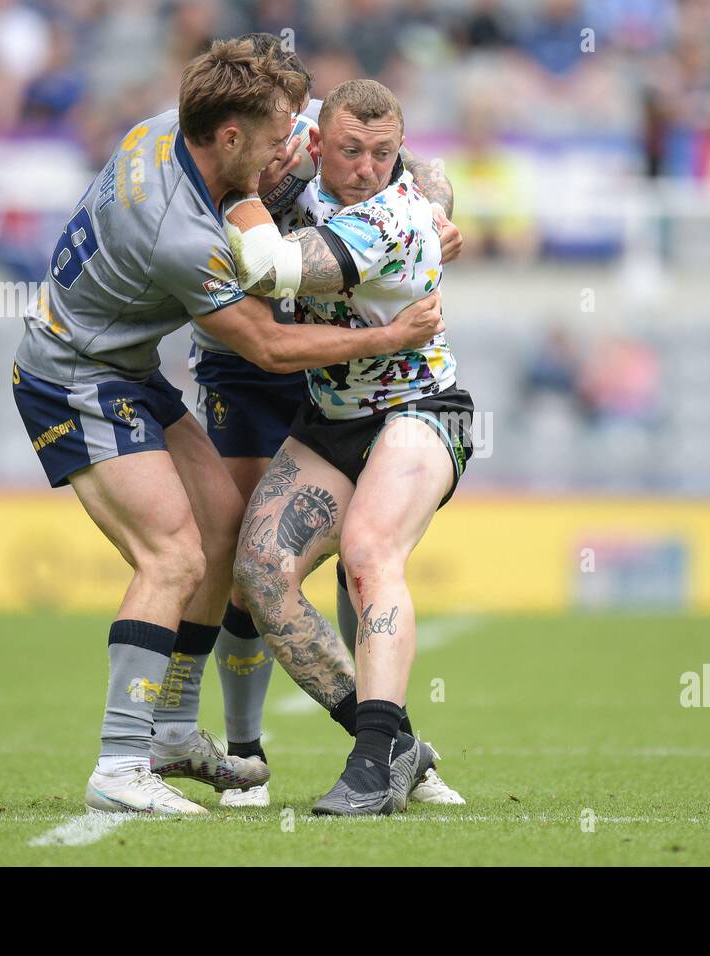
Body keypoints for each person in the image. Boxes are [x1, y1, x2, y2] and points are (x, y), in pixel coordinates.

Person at [10, 39, 443, 815]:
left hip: (127, 368)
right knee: (172, 555)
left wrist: (431, 212)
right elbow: (271, 345)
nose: (293, 152)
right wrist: (384, 337)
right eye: (280, 142)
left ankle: (175, 732)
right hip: (72, 377)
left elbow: (370, 144)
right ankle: (119, 764)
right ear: (234, 138)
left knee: (223, 532)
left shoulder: (166, 128)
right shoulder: (177, 232)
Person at [189, 34, 464, 808]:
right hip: (312, 396)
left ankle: (375, 760)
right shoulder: (267, 130)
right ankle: (380, 746)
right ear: (313, 139)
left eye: (384, 157)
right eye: (351, 154)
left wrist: (433, 212)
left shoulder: (382, 211)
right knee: (258, 575)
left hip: (413, 405)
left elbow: (270, 266)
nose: (368, 170)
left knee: (369, 553)